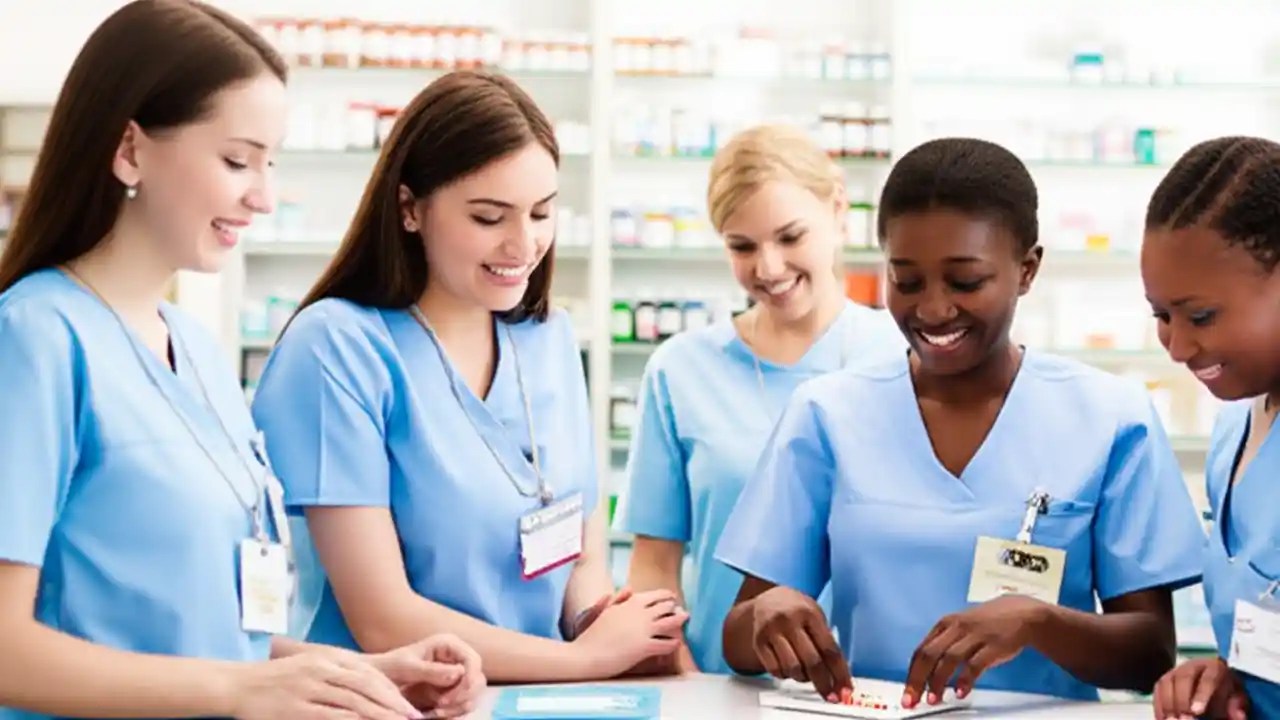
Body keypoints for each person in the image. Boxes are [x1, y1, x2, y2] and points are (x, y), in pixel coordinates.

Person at [0, 3, 484, 719]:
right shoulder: (33, 339)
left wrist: (355, 673)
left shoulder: (192, 347)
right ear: (130, 150)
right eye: (237, 159)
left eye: (271, 162)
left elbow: (209, 638)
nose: (262, 195)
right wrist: (242, 690)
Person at [717, 137, 1206, 708]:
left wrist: (1038, 623)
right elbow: (737, 641)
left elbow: (1149, 654)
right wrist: (764, 617)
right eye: (906, 280)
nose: (933, 309)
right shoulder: (828, 413)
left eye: (966, 282)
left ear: (1027, 270)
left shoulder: (1110, 417)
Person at [249, 69, 689, 685]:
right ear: (409, 209)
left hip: (540, 698)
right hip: (392, 701)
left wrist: (613, 626)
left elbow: (579, 555)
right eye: (489, 217)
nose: (524, 244)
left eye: (541, 213)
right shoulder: (339, 347)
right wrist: (583, 660)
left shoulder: (548, 337)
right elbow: (382, 618)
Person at [612, 124, 904, 674]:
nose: (768, 268)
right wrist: (687, 682)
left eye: (790, 237)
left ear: (838, 210)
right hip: (726, 687)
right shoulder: (681, 371)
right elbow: (653, 568)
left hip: (878, 687)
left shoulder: (904, 358)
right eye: (742, 247)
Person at [1142, 136, 1280, 720]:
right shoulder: (1232, 436)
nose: (1177, 345)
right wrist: (1229, 682)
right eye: (1161, 316)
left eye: (1201, 316)